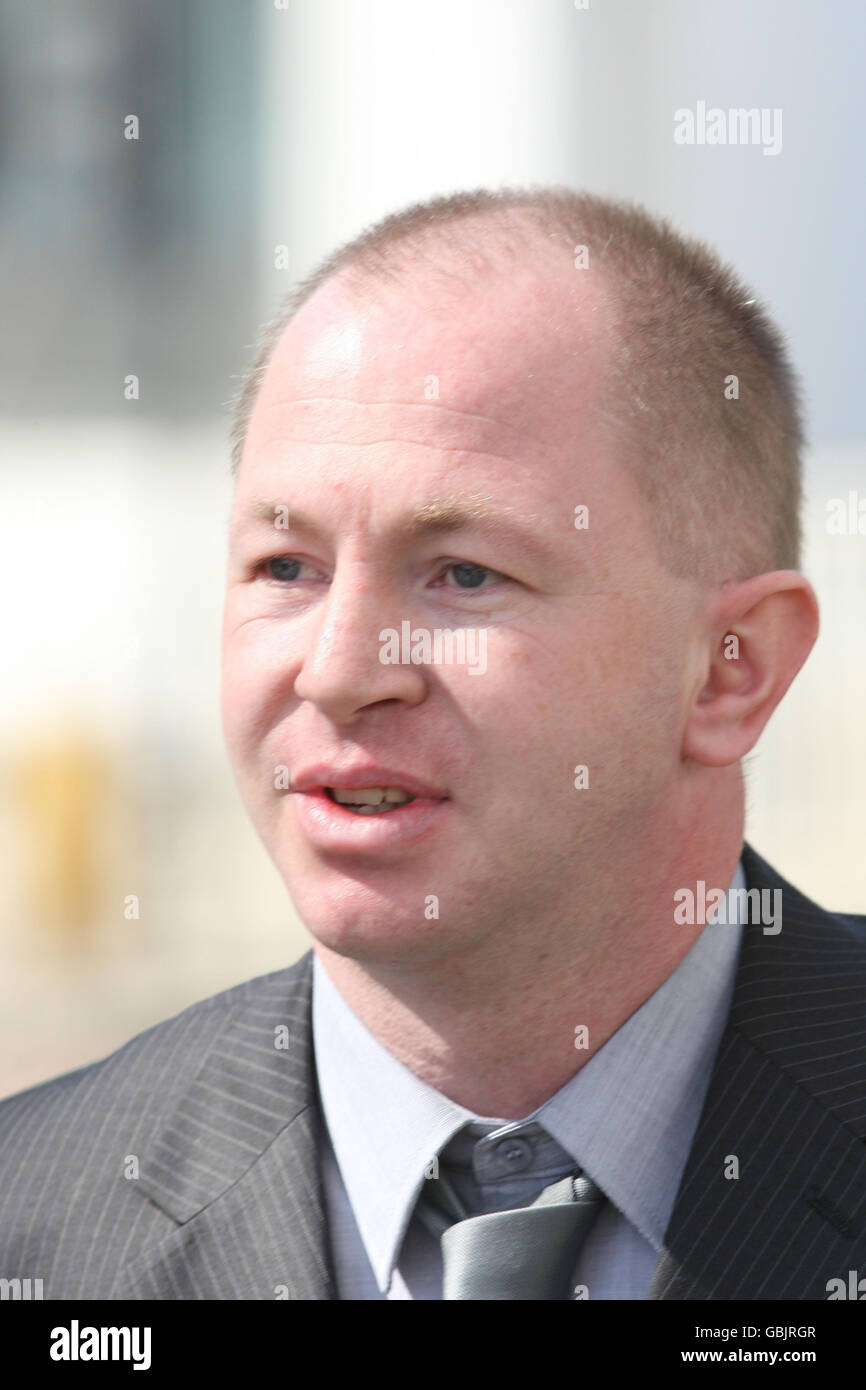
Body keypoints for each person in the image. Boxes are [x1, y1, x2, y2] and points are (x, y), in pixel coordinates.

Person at [1, 187, 864, 1301]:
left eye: (462, 573)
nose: (340, 669)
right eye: (285, 569)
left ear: (728, 668)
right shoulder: (33, 1226)